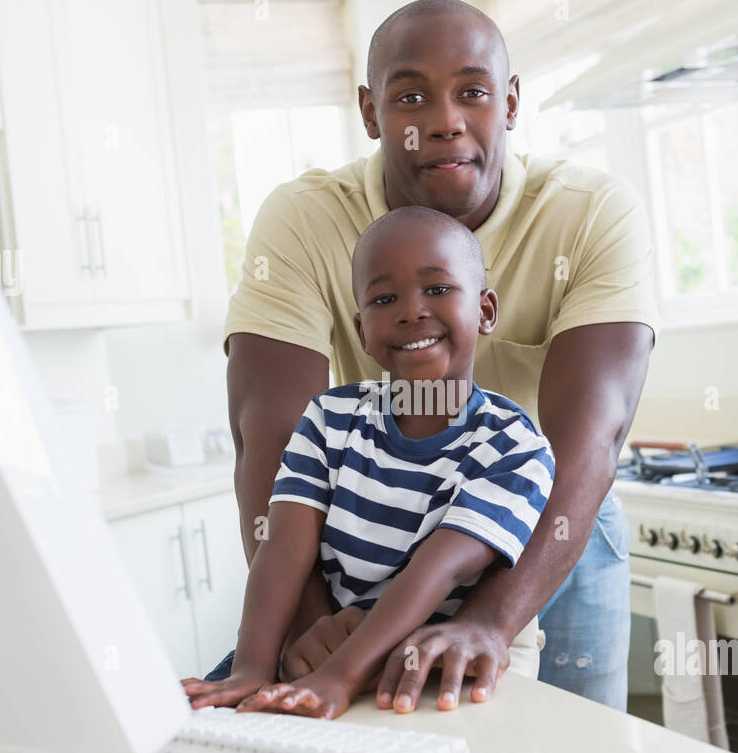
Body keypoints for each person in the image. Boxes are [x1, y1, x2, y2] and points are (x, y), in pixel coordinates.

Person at [205, 0, 657, 710]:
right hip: (366, 509)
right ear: (369, 112)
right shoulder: (304, 218)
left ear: (510, 103)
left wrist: (488, 621)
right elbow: (268, 439)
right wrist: (316, 627)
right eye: (411, 95)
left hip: (555, 507)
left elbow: (590, 438)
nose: (445, 120)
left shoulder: (590, 211)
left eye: (473, 92)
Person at [182, 206, 554, 719]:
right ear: (360, 331)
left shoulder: (514, 447)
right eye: (384, 299)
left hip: (419, 671)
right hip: (324, 656)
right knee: (203, 734)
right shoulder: (330, 417)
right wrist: (252, 667)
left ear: (486, 310)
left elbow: (437, 572)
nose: (411, 311)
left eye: (438, 289)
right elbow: (283, 549)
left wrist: (340, 676)